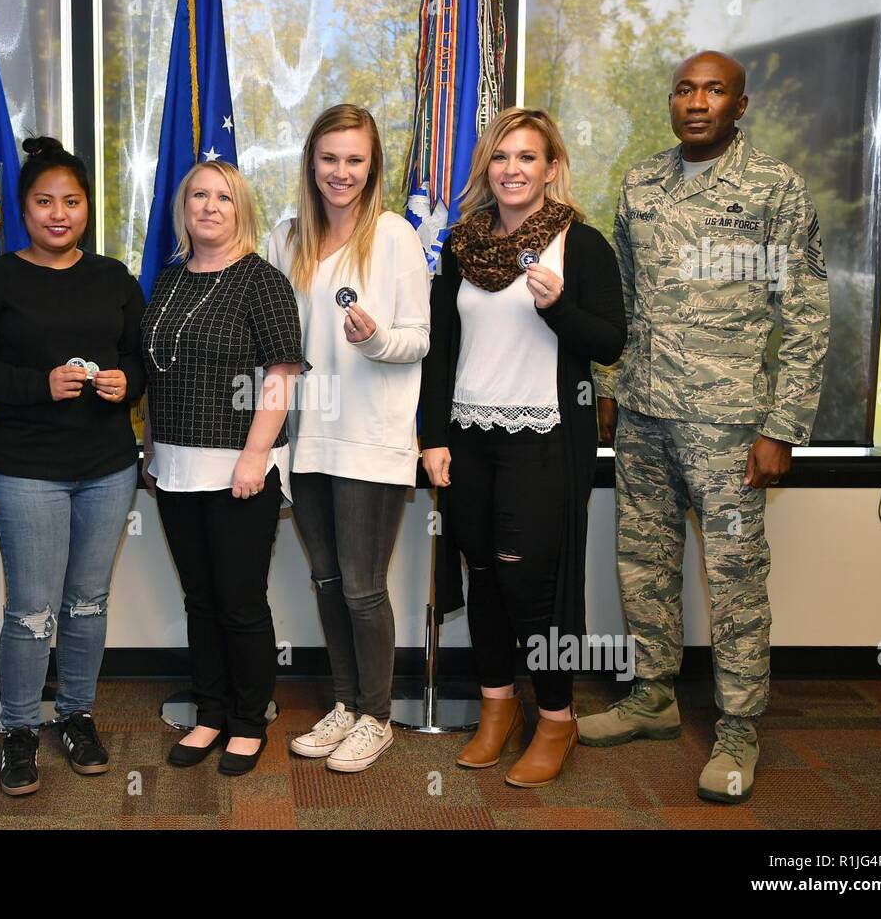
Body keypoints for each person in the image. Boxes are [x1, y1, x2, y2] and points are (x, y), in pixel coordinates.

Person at [582, 51, 830, 804]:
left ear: (740, 104)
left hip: (728, 424)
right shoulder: (640, 183)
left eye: (713, 90)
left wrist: (782, 426)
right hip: (647, 416)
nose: (697, 102)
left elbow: (807, 312)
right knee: (644, 560)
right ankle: (653, 694)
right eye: (686, 89)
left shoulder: (774, 189)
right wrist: (610, 387)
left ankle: (738, 727)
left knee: (734, 578)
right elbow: (617, 297)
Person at [420, 107, 626, 786]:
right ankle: (496, 710)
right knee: (483, 574)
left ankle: (557, 719)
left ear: (551, 169)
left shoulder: (581, 244)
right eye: (502, 157)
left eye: (527, 158)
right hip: (470, 440)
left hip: (545, 440)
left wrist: (558, 307)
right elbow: (440, 350)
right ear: (489, 168)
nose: (512, 169)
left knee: (532, 585)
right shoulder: (461, 245)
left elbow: (609, 343)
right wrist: (432, 438)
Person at [0, 137, 145, 796]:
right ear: (23, 209)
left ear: (88, 206)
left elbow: (144, 363)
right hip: (26, 470)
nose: (58, 213)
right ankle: (19, 730)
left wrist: (126, 383)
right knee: (32, 610)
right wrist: (41, 383)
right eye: (43, 202)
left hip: (108, 468)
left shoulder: (115, 278)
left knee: (87, 604)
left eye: (71, 200)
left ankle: (78, 716)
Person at [266, 104, 429, 772]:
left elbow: (418, 339)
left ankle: (377, 716)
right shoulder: (286, 237)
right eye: (329, 158)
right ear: (311, 161)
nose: (341, 171)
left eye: (354, 159)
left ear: (372, 165)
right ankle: (344, 702)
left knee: (363, 586)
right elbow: (275, 343)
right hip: (308, 440)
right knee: (327, 580)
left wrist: (376, 340)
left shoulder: (394, 236)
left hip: (371, 438)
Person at [142, 160, 304, 776]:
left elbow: (281, 374)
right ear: (185, 208)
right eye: (199, 196)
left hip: (241, 468)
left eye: (224, 198)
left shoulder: (261, 281)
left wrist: (256, 455)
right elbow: (158, 373)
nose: (210, 206)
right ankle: (209, 712)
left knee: (239, 602)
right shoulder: (169, 279)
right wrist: (153, 452)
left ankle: (246, 717)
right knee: (200, 599)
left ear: (241, 210)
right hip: (176, 470)